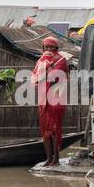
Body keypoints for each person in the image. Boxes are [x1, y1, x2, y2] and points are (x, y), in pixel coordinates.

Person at [31, 36, 70, 166]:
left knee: (55, 130)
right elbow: (35, 78)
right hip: (43, 100)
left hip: (56, 98)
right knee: (45, 130)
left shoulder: (61, 60)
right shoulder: (40, 61)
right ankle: (48, 158)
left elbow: (53, 77)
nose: (48, 49)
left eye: (51, 47)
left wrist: (46, 64)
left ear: (56, 48)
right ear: (43, 48)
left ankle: (56, 159)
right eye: (46, 47)